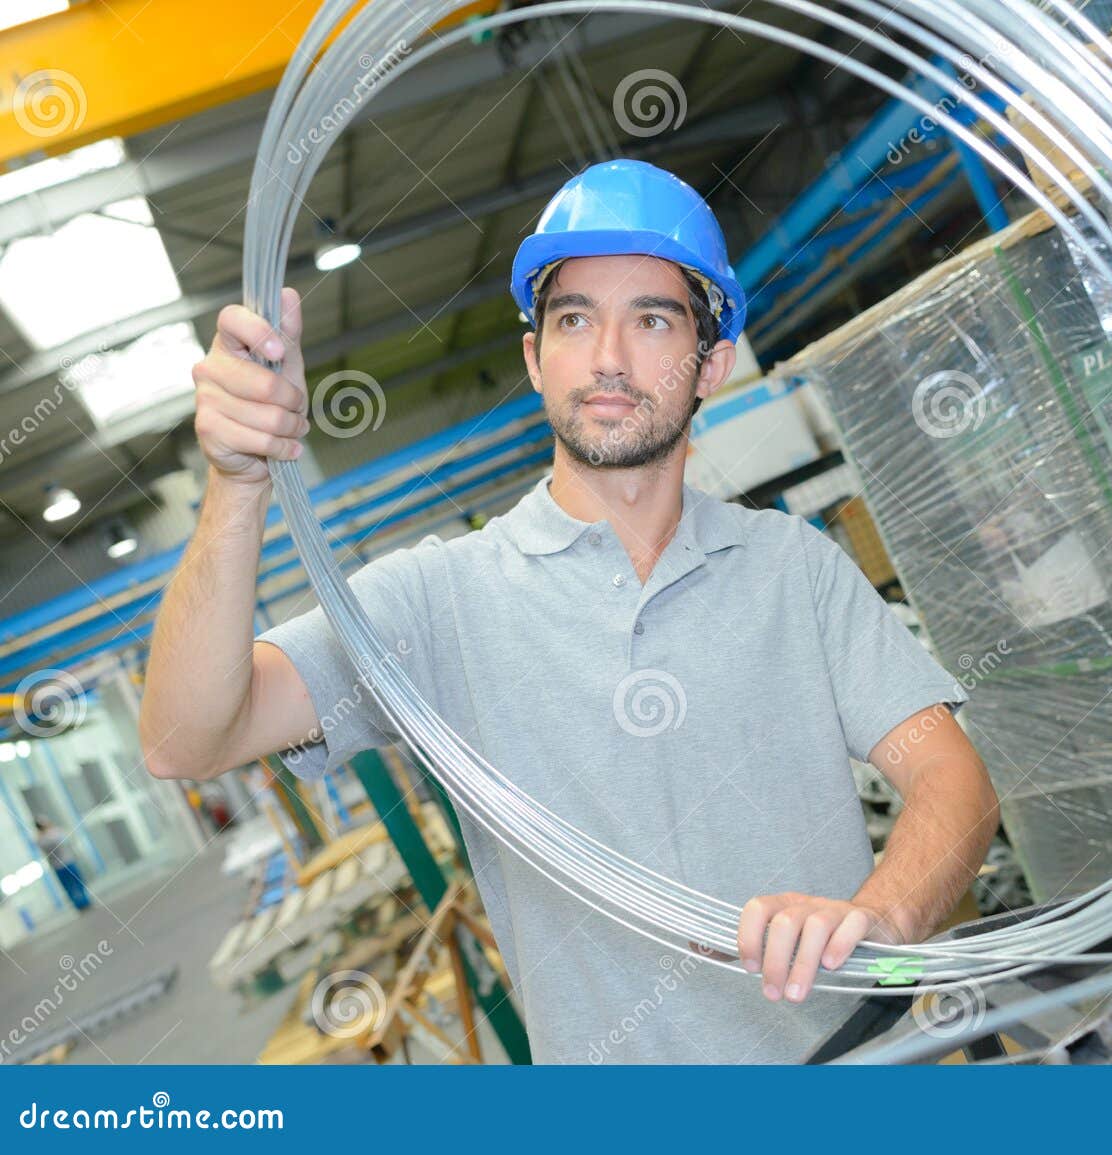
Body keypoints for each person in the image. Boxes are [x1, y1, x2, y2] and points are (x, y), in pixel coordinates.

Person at [140, 159, 1000, 1063]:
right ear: (534, 357)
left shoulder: (795, 571)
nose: (609, 360)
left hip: (867, 1061)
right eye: (575, 318)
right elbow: (185, 740)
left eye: (654, 320)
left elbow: (954, 782)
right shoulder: (437, 605)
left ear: (711, 364)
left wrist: (882, 912)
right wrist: (237, 487)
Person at [34, 817, 90, 912]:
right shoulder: (50, 835)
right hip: (63, 865)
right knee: (71, 885)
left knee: (76, 883)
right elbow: (60, 842)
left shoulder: (42, 839)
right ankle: (81, 904)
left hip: (64, 864)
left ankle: (83, 902)